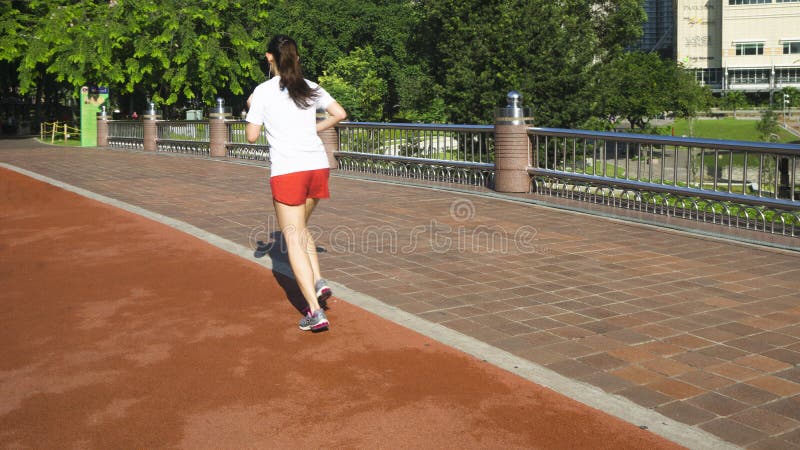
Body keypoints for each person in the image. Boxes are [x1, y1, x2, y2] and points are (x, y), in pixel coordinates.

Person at [245, 34, 347, 332]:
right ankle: (318, 282)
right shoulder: (311, 87)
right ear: (297, 58)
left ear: (269, 57)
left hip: (289, 170)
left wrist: (249, 108)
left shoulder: (262, 91)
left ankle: (315, 312)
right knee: (301, 229)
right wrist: (314, 128)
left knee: (292, 239)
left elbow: (251, 136)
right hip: (317, 167)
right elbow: (339, 114)